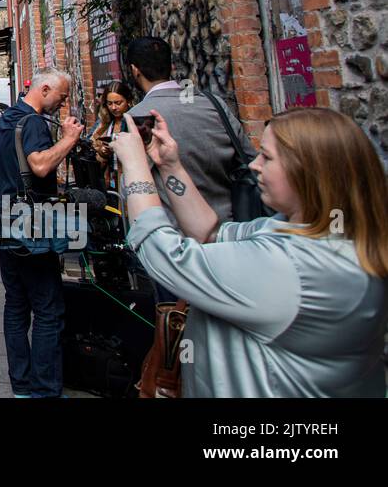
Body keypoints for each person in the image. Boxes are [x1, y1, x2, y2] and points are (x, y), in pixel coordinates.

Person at [113, 106, 388, 397]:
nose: (255, 165)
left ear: (307, 171)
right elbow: (211, 234)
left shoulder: (295, 268)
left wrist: (136, 167)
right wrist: (170, 167)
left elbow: (164, 254)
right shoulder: (312, 233)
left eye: (267, 157)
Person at [0, 69, 82, 398]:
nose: (62, 103)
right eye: (62, 97)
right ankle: (45, 390)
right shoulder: (35, 122)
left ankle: (22, 386)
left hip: (3, 218)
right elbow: (39, 164)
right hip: (30, 226)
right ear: (45, 89)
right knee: (47, 309)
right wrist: (69, 139)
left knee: (15, 305)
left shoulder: (9, 117)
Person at [125, 36, 254, 224]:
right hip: (232, 224)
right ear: (171, 66)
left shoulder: (135, 119)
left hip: (175, 232)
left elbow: (133, 187)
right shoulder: (213, 104)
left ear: (134, 70)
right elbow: (249, 157)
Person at [87, 79, 134, 184]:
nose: (113, 107)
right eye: (109, 103)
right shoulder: (102, 124)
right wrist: (102, 152)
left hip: (130, 178)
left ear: (128, 101)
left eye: (118, 103)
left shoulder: (134, 121)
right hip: (109, 180)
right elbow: (90, 149)